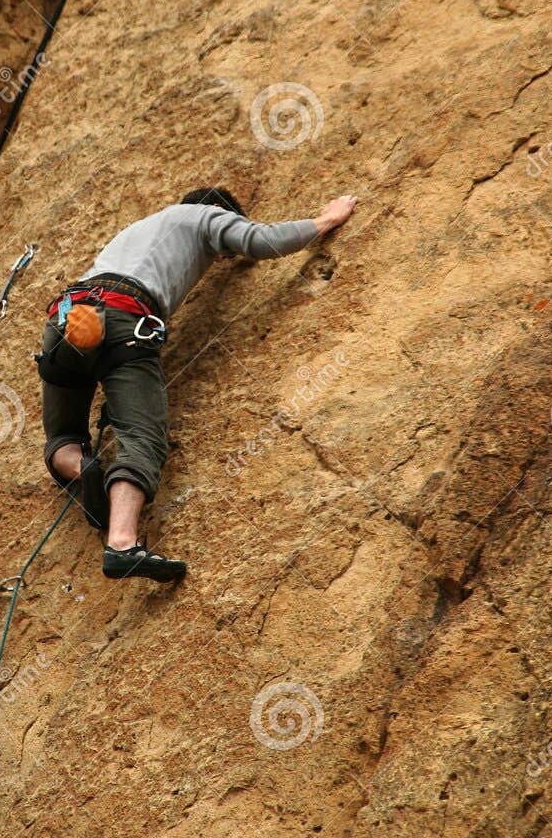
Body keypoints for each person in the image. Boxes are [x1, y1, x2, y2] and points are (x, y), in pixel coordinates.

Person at [39, 186, 357, 583]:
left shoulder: (137, 228)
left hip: (67, 316)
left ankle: (83, 467)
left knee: (63, 436)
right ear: (218, 212)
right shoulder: (203, 216)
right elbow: (261, 241)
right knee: (142, 438)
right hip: (123, 320)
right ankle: (121, 544)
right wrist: (326, 219)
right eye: (224, 253)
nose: (222, 259)